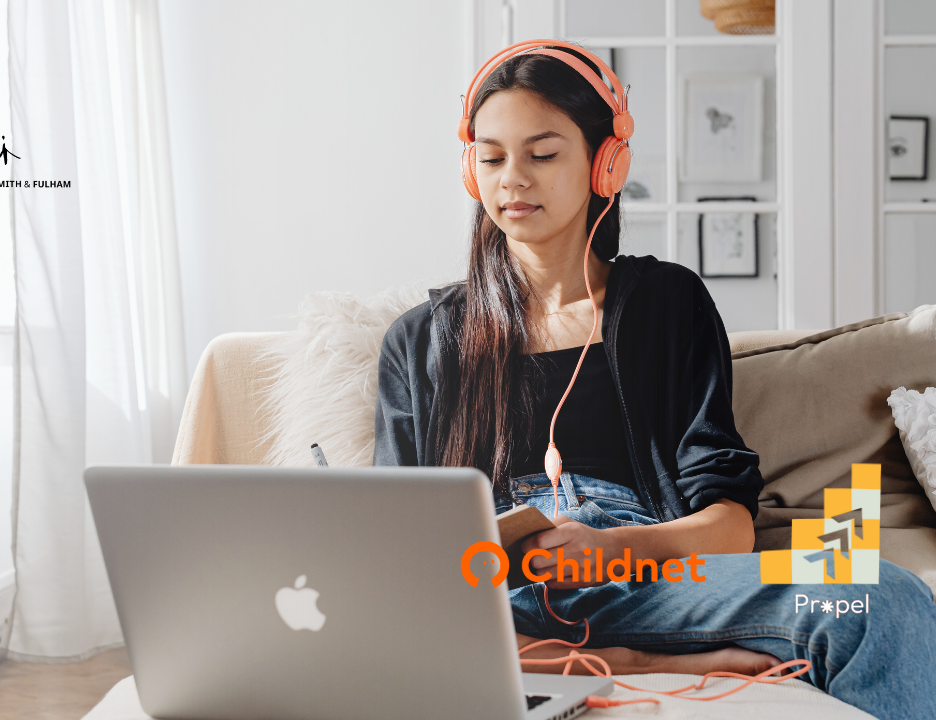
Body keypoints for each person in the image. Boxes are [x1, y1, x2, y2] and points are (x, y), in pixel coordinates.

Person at [372, 43, 936, 719]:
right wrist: (641, 663)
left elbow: (728, 528)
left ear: (605, 163)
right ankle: (626, 662)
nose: (512, 179)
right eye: (491, 157)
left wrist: (613, 548)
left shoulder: (666, 302)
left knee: (877, 592)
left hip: (650, 576)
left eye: (542, 154)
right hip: (489, 594)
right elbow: (395, 562)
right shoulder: (421, 339)